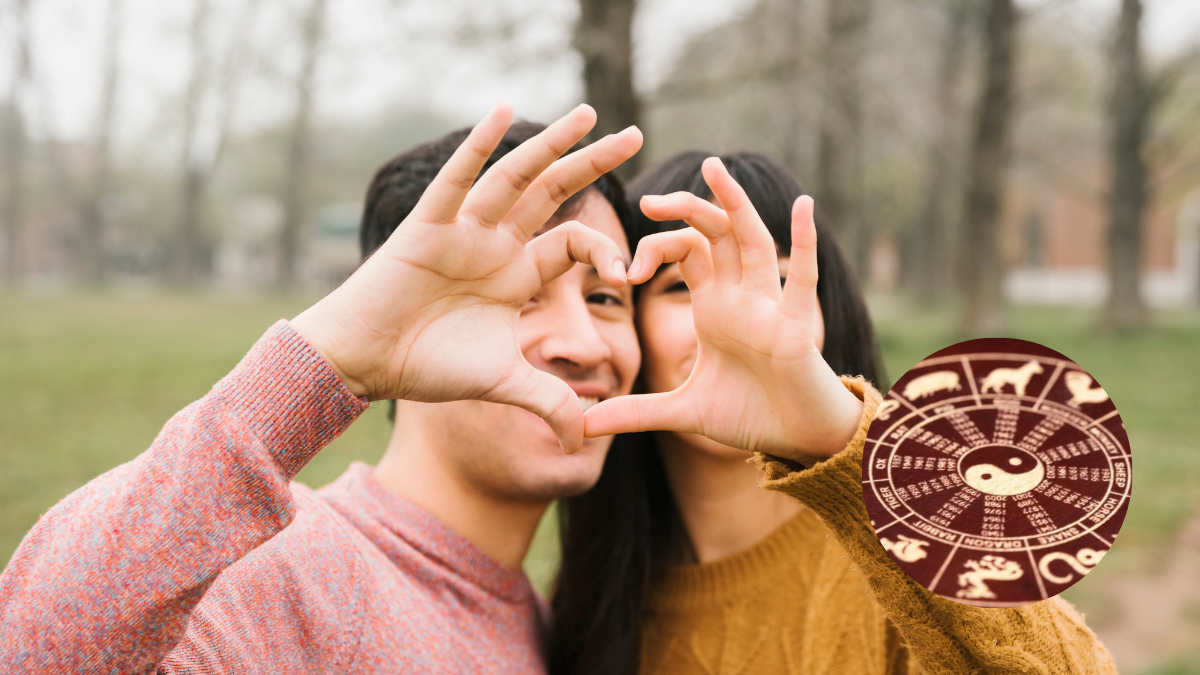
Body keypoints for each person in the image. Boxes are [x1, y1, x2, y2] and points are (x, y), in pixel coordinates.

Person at [0, 103, 644, 674]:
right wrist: (323, 360)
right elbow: (32, 655)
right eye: (521, 295)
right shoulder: (292, 577)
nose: (585, 344)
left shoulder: (559, 628)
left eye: (606, 297)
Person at [551, 152, 1118, 675]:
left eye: (779, 280)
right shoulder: (592, 597)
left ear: (829, 315)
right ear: (629, 325)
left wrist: (855, 450)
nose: (740, 316)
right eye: (683, 284)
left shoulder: (896, 569)